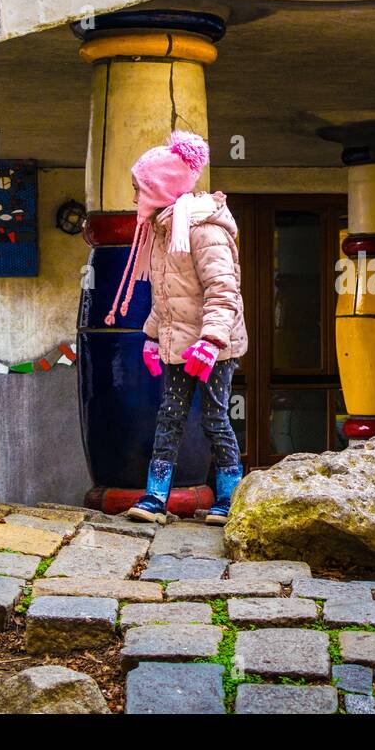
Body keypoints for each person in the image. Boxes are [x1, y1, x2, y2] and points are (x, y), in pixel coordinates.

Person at [103, 131, 248, 525]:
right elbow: (168, 296)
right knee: (169, 414)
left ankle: (229, 495)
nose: (135, 198)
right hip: (177, 341)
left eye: (139, 189)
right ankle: (155, 495)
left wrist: (211, 340)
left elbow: (224, 289)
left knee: (215, 416)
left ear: (160, 187)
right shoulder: (164, 230)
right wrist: (152, 336)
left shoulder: (203, 229)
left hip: (213, 346)